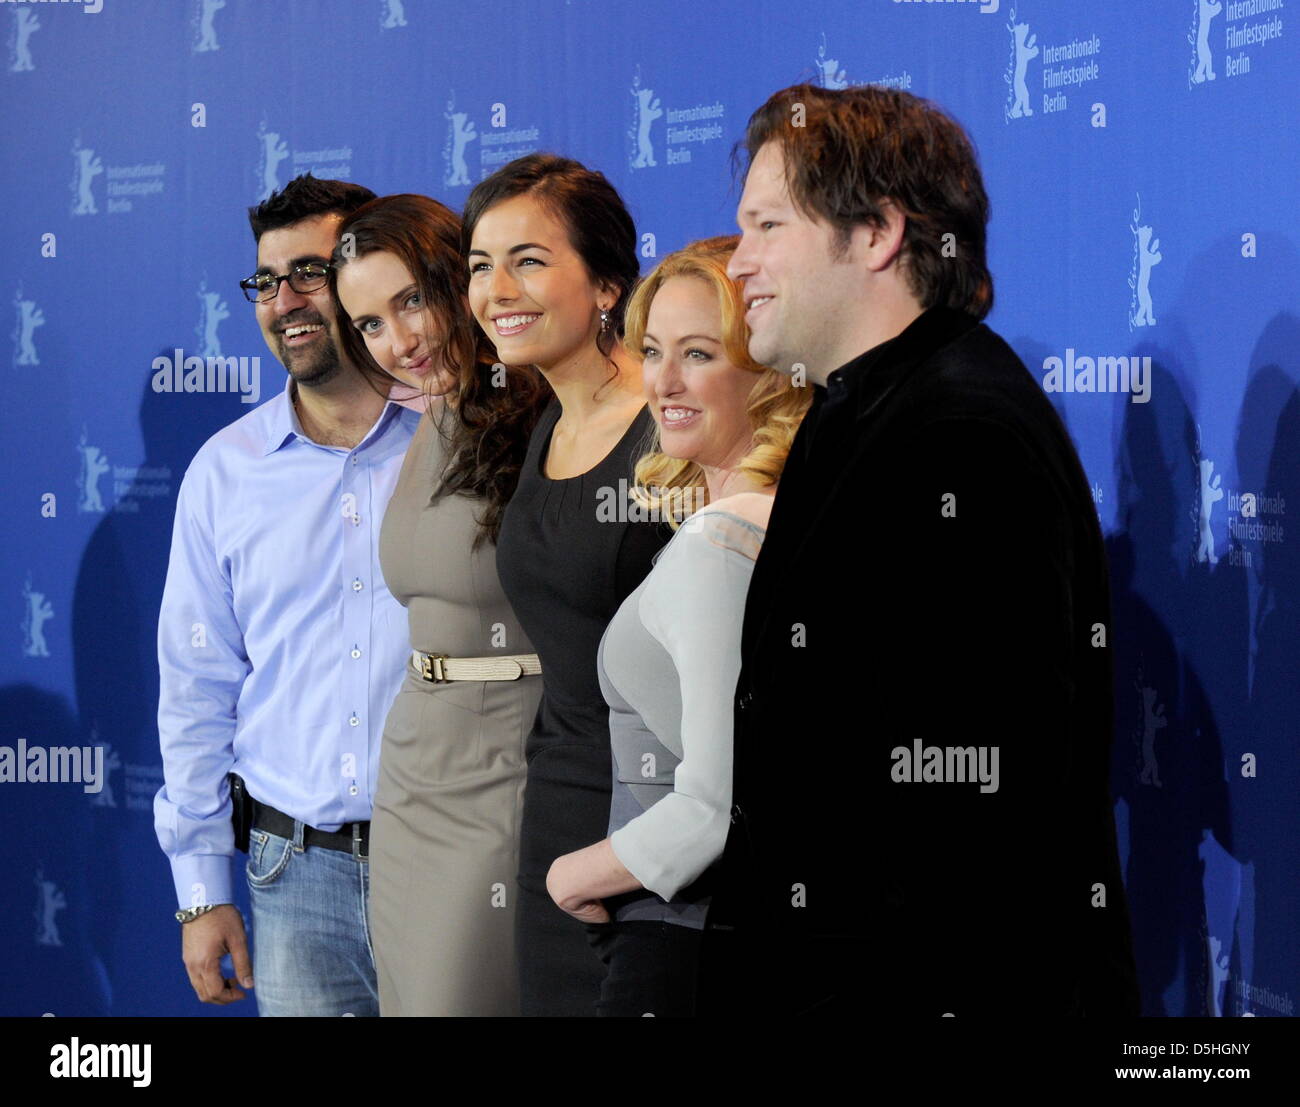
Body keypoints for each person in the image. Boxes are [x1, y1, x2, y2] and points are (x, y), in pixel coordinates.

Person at [698, 84, 1141, 1016]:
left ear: (876, 235)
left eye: (767, 226)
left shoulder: (960, 427)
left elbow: (976, 804)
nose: (738, 263)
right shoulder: (856, 407)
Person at [154, 174, 419, 1016]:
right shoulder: (223, 472)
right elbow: (196, 692)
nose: (285, 300)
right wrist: (201, 889)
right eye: (266, 282)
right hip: (289, 877)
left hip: (452, 867)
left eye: (310, 272)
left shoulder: (463, 439)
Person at [545, 236, 810, 1016]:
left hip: (685, 944)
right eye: (652, 349)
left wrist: (572, 875)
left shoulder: (723, 540)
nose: (662, 382)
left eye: (698, 352)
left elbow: (715, 803)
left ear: (766, 371)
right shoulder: (773, 523)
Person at [330, 193, 549, 1015]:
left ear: (458, 279)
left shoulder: (545, 410)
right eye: (370, 325)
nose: (399, 340)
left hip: (506, 767)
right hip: (414, 766)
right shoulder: (435, 415)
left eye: (410, 300)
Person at [464, 154, 672, 1016]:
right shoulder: (544, 417)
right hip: (554, 807)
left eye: (530, 260)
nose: (496, 289)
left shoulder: (673, 423)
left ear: (610, 285)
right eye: (479, 265)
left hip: (658, 822)